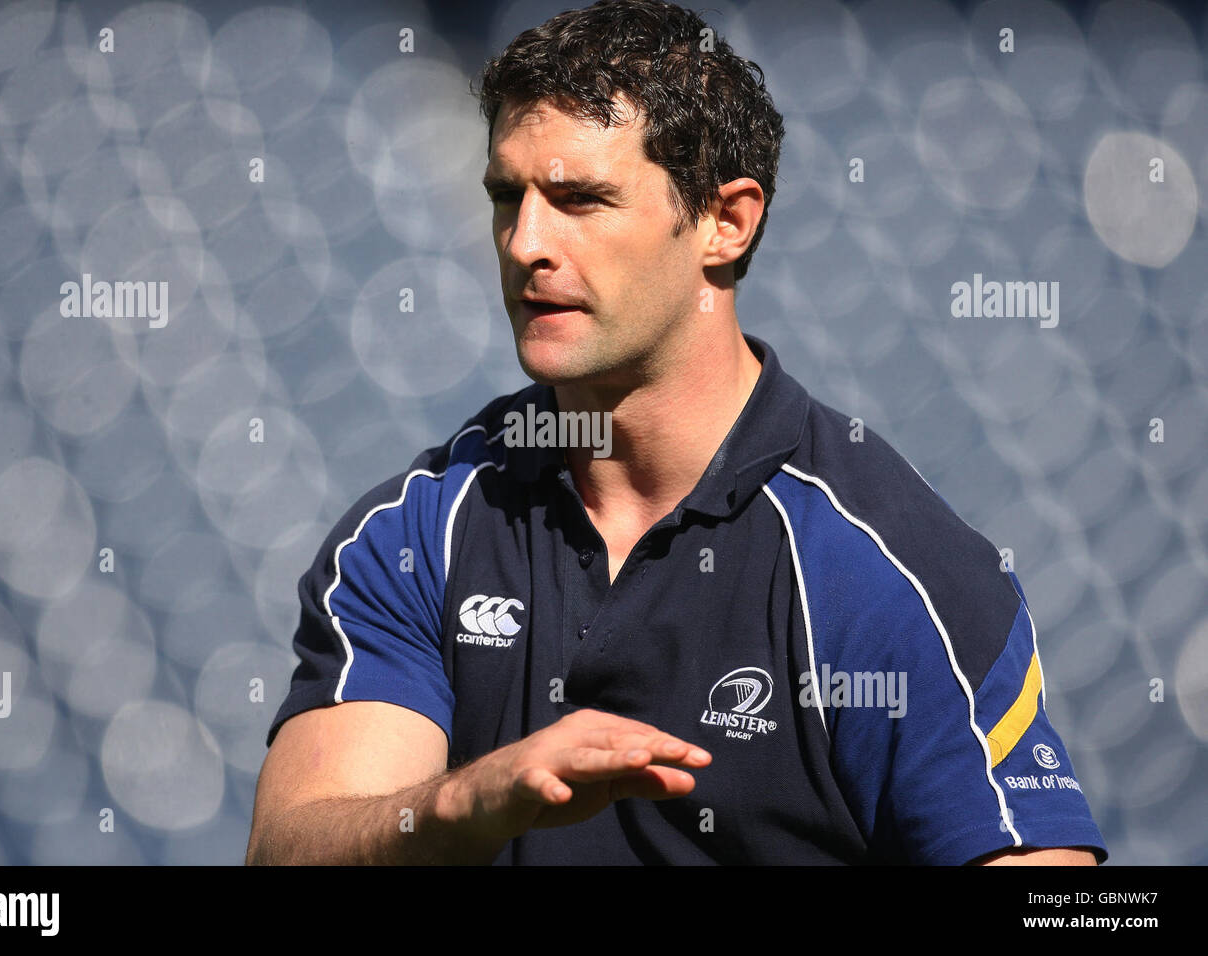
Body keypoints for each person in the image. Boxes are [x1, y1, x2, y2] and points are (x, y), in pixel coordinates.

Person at [246, 0, 1107, 865]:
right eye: (509, 197)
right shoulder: (416, 535)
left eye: (580, 199)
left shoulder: (889, 572)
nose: (525, 242)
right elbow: (289, 846)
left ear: (726, 223)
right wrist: (464, 802)